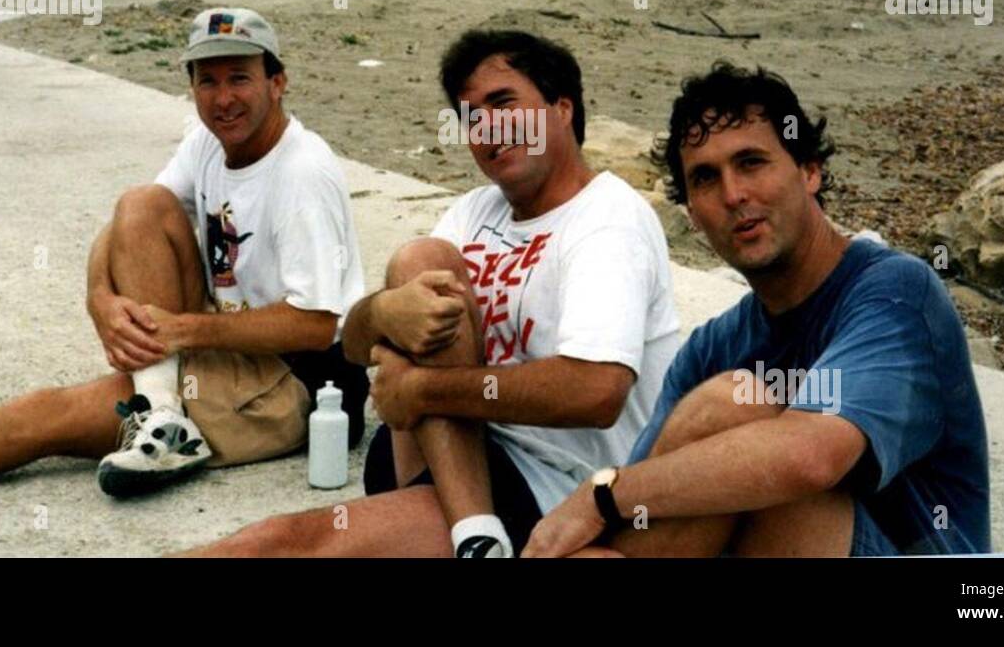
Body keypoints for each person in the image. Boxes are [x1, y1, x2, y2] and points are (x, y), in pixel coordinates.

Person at [179, 30, 681, 557]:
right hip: (452, 454)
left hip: (553, 484)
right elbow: (351, 344)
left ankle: (478, 537)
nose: (488, 127)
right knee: (417, 262)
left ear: (561, 108)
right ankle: (475, 532)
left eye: (504, 103)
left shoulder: (608, 218)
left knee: (283, 544)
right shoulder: (474, 212)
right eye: (471, 116)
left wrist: (421, 391)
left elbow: (596, 391)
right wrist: (382, 312)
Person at [0, 7, 369, 507]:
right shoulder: (209, 142)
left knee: (48, 416)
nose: (222, 98)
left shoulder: (302, 173)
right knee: (141, 204)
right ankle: (165, 413)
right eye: (207, 81)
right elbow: (122, 229)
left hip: (300, 382)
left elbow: (316, 325)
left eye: (239, 77)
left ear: (277, 82)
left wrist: (182, 330)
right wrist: (99, 299)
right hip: (233, 342)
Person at [522, 61, 990, 557]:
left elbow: (812, 458)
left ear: (810, 172)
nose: (733, 194)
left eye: (751, 162)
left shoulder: (895, 293)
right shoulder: (711, 348)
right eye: (705, 178)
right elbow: (645, 514)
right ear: (693, 218)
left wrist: (599, 496)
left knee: (736, 408)